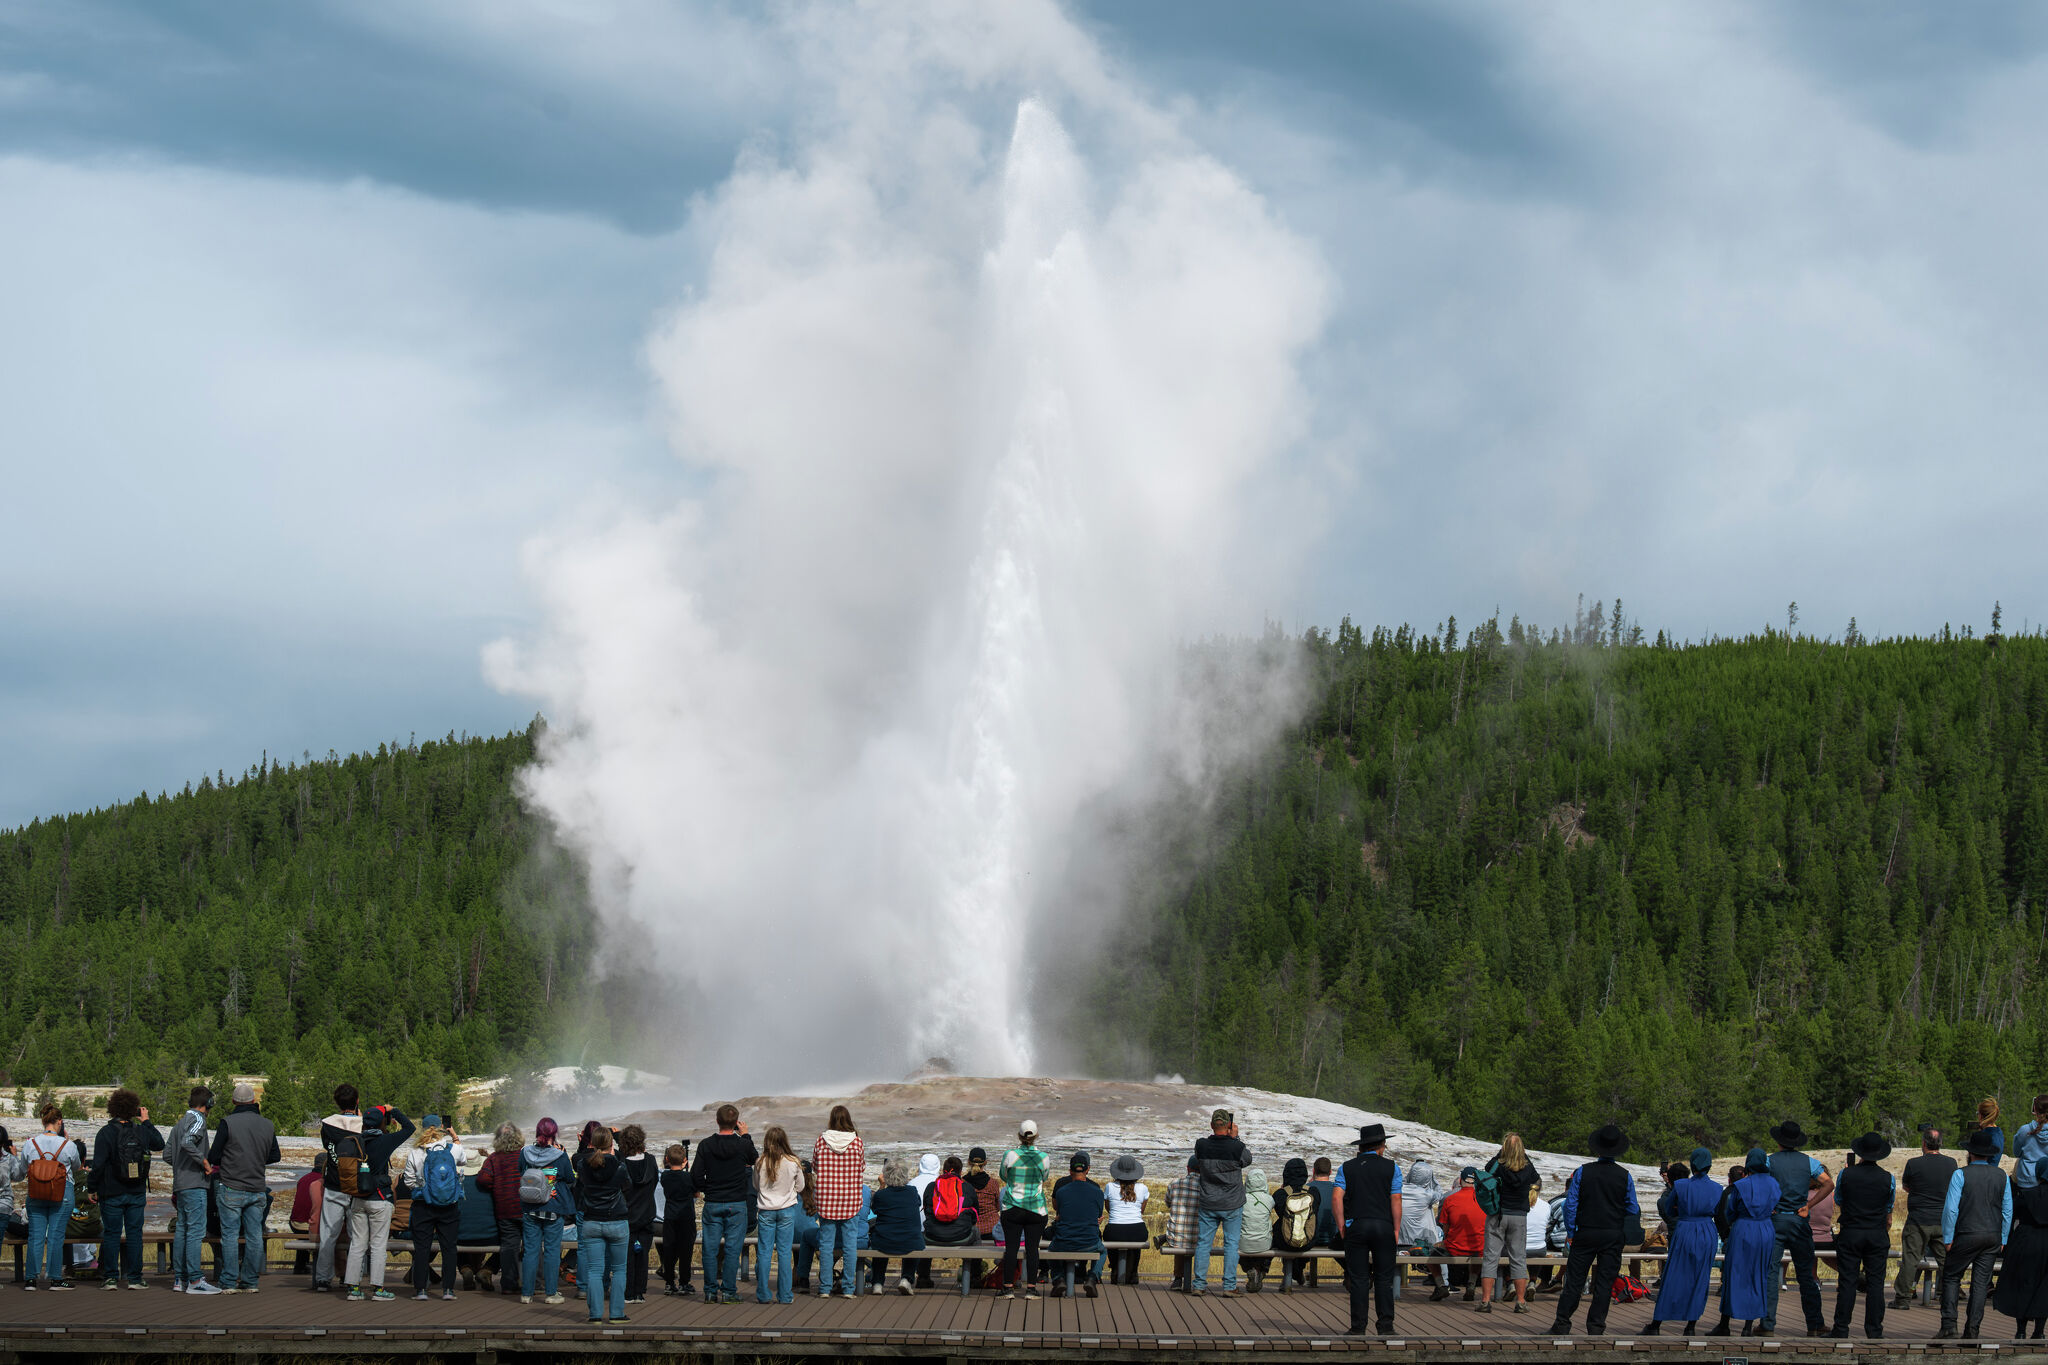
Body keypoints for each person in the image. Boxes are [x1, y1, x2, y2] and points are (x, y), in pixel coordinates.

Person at [1547, 1124, 1639, 1337]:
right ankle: (1596, 1326)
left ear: (1597, 1148)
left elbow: (1570, 1205)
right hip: (1612, 1233)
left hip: (1586, 1231)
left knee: (1574, 1281)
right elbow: (1633, 1208)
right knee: (1604, 1283)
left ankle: (1562, 1324)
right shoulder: (1625, 1176)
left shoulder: (1583, 1171)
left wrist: (1571, 1231)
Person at [1937, 1126, 2014, 1340]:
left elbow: (1951, 1209)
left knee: (1951, 1276)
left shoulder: (1960, 1174)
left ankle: (1949, 1324)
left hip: (1966, 1233)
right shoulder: (2002, 1176)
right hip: (1992, 1235)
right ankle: (1972, 1331)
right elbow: (2007, 1210)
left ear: (1970, 1152)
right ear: (1989, 1154)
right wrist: (2003, 1237)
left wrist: (1948, 1237)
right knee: (1980, 1284)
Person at [1758, 1119, 1832, 1338]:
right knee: (1806, 1274)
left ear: (1779, 1141)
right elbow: (1829, 1183)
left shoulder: (1770, 1161)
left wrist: (1768, 1205)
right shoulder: (1809, 1162)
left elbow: (1760, 1183)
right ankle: (1815, 1324)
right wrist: (1809, 1205)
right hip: (1799, 1221)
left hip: (1776, 1220)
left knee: (1771, 1272)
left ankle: (1767, 1324)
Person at [209, 1081, 280, 1294]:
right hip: (257, 1186)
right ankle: (250, 1281)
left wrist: (232, 1159)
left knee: (230, 1236)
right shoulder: (267, 1124)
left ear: (233, 1101)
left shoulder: (227, 1123)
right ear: (253, 1100)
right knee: (254, 1236)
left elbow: (214, 1155)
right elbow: (275, 1155)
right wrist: (256, 1158)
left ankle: (229, 1281)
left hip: (231, 1185)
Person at [90, 1086, 164, 1291]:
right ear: (134, 1109)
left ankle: (110, 1278)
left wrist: (92, 1187)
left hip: (111, 1191)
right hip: (136, 1190)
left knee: (112, 1234)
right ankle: (135, 1278)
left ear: (112, 1108)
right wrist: (146, 1121)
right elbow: (159, 1143)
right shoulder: (141, 1131)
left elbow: (98, 1165)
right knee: (134, 1234)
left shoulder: (105, 1133)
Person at [1332, 1123, 1401, 1336]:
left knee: (1359, 1279)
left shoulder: (1346, 1167)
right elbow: (1396, 1199)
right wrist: (1396, 1229)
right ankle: (1386, 1326)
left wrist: (1342, 1225)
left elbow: (1337, 1197)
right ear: (1381, 1145)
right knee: (1384, 1278)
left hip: (1357, 1225)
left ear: (1361, 1146)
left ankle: (1358, 1327)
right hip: (1383, 1225)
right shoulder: (1392, 1167)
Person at [1708, 1148, 1784, 1337]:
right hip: (1765, 1230)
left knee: (1733, 1274)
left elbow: (1730, 1211)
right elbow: (1776, 1205)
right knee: (1758, 1275)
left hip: (1743, 1229)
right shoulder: (1774, 1184)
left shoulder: (1741, 1185)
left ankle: (1724, 1324)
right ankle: (1747, 1327)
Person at [1646, 1148, 1721, 1335]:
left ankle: (1656, 1324)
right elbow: (1720, 1212)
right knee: (1700, 1278)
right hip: (1707, 1230)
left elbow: (1669, 1210)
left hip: (1685, 1228)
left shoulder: (1681, 1186)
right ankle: (1691, 1326)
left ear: (1693, 1164)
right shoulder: (1717, 1188)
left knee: (1673, 1275)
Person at [1829, 1132, 1895, 1340]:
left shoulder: (1846, 1174)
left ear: (1860, 1153)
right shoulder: (1888, 1178)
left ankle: (1841, 1328)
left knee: (1847, 1281)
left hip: (1851, 1231)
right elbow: (1889, 1205)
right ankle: (1874, 1330)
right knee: (1876, 1283)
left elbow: (1839, 1199)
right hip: (1876, 1233)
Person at [691, 1104, 756, 1305]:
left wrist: (707, 1188)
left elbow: (695, 1175)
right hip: (736, 1203)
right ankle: (728, 1291)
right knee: (732, 1249)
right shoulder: (743, 1144)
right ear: (736, 1123)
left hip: (713, 1202)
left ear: (717, 1121)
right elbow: (754, 1158)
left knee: (709, 1249)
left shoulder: (706, 1145)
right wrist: (745, 1135)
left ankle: (710, 1291)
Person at [401, 1121, 471, 1300]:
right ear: (442, 1130)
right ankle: (448, 1290)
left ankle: (421, 1290)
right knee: (449, 1247)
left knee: (422, 1248)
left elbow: (408, 1181)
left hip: (423, 1204)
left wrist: (423, 1189)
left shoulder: (416, 1152)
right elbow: (463, 1160)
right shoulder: (452, 1149)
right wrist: (454, 1137)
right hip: (449, 1205)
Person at [1186, 1107, 1252, 1296]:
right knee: (1231, 1244)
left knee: (1203, 1243)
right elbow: (1247, 1159)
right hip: (1232, 1203)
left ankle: (1199, 1285)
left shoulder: (1201, 1145)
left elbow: (1198, 1158)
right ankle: (1229, 1286)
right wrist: (1235, 1138)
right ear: (1229, 1125)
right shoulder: (1237, 1147)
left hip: (1209, 1201)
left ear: (1211, 1125)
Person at [21, 1104, 83, 1291]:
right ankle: (55, 1278)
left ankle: (31, 1279)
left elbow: (23, 1167)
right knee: (56, 1235)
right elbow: (76, 1166)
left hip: (36, 1192)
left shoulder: (30, 1143)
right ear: (59, 1122)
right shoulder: (68, 1145)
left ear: (43, 1121)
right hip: (62, 1191)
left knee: (36, 1236)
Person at [571, 1125, 630, 1324]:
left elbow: (579, 1187)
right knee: (619, 1269)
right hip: (616, 1220)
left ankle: (595, 1314)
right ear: (611, 1143)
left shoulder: (583, 1165)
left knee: (594, 1270)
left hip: (591, 1221)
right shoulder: (619, 1166)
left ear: (593, 1143)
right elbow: (628, 1186)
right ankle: (616, 1313)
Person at [1895, 1127, 1956, 1309]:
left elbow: (1906, 1186)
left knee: (1910, 1260)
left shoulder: (1913, 1163)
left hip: (1918, 1219)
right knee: (1947, 1262)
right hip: (1942, 1220)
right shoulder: (1951, 1163)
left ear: (1923, 1143)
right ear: (1941, 1143)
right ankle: (1948, 1297)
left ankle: (1903, 1299)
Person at [1478, 1133, 1540, 1313]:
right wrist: (1521, 1154)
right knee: (1518, 1259)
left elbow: (1487, 1169)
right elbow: (1536, 1178)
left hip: (1498, 1214)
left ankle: (1485, 1301)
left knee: (1491, 1257)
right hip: (1519, 1216)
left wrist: (1502, 1153)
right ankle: (1520, 1302)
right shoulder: (1528, 1167)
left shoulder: (1499, 1166)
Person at [517, 1116, 575, 1305]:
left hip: (530, 1207)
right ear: (554, 1134)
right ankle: (551, 1293)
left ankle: (527, 1294)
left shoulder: (525, 1152)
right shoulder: (560, 1155)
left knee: (531, 1251)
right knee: (551, 1251)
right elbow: (569, 1178)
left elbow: (521, 1171)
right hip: (553, 1207)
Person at [168, 1086, 219, 1295]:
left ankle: (179, 1279)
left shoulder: (179, 1123)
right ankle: (195, 1280)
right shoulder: (198, 1119)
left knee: (182, 1230)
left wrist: (181, 1166)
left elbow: (167, 1154)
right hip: (195, 1184)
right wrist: (203, 1162)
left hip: (180, 1184)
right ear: (208, 1104)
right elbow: (188, 1142)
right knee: (196, 1232)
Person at [811, 1106, 864, 1299]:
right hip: (850, 1200)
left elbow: (815, 1166)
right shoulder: (857, 1142)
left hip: (826, 1199)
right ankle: (848, 1288)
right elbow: (862, 1167)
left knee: (826, 1245)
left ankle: (825, 1287)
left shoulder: (821, 1140)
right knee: (850, 1246)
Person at [1994, 1157, 2048, 1338]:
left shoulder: (2027, 1194)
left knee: (2023, 1284)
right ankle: (2039, 1331)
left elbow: (2010, 1214)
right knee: (2044, 1288)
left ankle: (2021, 1331)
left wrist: (2006, 1240)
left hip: (2026, 1240)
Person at [751, 1125, 805, 1305]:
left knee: (764, 1253)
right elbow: (801, 1187)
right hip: (787, 1209)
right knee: (784, 1253)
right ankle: (785, 1295)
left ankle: (763, 1293)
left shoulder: (760, 1162)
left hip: (766, 1210)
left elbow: (756, 1185)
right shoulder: (793, 1161)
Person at [998, 1120, 1049, 1300]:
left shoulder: (1010, 1155)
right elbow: (1044, 1177)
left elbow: (1003, 1176)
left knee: (1011, 1248)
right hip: (1036, 1208)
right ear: (1036, 1136)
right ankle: (1031, 1289)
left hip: (1013, 1206)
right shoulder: (1044, 1157)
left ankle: (1008, 1288)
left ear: (1019, 1136)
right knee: (1032, 1249)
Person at [474, 1123, 526, 1296]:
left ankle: (509, 1284)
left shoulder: (494, 1158)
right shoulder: (526, 1155)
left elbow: (482, 1179)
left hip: (505, 1208)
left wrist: (496, 1185)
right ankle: (531, 1283)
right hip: (526, 1207)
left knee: (509, 1246)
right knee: (531, 1245)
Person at [1048, 1151, 1106, 1296]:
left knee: (1050, 1249)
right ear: (1088, 1169)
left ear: (1070, 1171)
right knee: (1103, 1251)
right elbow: (1098, 1215)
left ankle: (1058, 1278)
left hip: (1064, 1241)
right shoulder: (1097, 1192)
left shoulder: (1061, 1191)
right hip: (1089, 1242)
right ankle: (1092, 1277)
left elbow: (1060, 1211)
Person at [613, 1125, 658, 1304]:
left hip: (627, 1215)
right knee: (643, 1254)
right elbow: (654, 1182)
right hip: (647, 1214)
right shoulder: (651, 1161)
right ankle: (639, 1292)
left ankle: (628, 1292)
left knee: (627, 1256)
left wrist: (617, 1136)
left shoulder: (621, 1163)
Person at [867, 1158, 925, 1294]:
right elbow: (918, 1203)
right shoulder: (912, 1191)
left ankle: (877, 1283)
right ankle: (906, 1278)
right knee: (915, 1241)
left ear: (886, 1175)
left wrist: (882, 1185)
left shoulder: (881, 1195)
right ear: (905, 1174)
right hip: (910, 1240)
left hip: (884, 1240)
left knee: (879, 1243)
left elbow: (874, 1209)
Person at [1395, 1158, 1449, 1295]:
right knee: (1439, 1234)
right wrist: (1433, 1180)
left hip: (1398, 1240)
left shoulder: (1398, 1190)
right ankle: (1443, 1282)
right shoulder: (1427, 1195)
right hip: (1420, 1242)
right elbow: (1440, 1193)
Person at [455, 1148, 499, 1290]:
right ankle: (488, 1269)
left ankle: (465, 1267)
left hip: (460, 1236)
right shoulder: (490, 1181)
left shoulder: (455, 1182)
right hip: (490, 1235)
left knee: (449, 1237)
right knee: (512, 1240)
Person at [1271, 1158, 1320, 1288]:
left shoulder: (1280, 1194)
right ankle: (1298, 1269)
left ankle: (1289, 1273)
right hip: (1308, 1241)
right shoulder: (1313, 1192)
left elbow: (1282, 1215)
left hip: (1285, 1242)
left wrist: (1284, 1188)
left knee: (1280, 1227)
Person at [1437, 1167, 1486, 1297]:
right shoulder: (1484, 1200)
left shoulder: (1450, 1199)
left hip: (1455, 1248)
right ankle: (1472, 1282)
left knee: (1432, 1253)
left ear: (1460, 1181)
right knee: (1479, 1249)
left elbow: (1445, 1228)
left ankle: (1441, 1285)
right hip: (1479, 1248)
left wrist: (1446, 1240)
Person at [924, 1154, 981, 1263]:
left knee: (923, 1232)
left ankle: (923, 1272)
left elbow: (927, 1212)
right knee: (976, 1231)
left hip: (933, 1236)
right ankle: (972, 1272)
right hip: (961, 1236)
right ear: (960, 1172)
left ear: (943, 1170)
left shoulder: (931, 1187)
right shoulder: (968, 1187)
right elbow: (975, 1216)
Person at [1103, 1156, 1149, 1285]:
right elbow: (1141, 1211)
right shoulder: (1143, 1188)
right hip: (1137, 1230)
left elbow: (1108, 1208)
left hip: (1114, 1230)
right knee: (1135, 1245)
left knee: (1111, 1238)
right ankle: (1133, 1272)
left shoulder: (1109, 1186)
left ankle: (1114, 1269)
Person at [657, 1142, 696, 1296]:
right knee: (686, 1251)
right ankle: (684, 1283)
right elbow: (696, 1193)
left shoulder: (665, 1176)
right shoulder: (688, 1177)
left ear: (667, 1159)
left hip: (670, 1216)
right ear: (685, 1161)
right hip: (686, 1216)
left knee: (669, 1249)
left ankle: (669, 1282)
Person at [1236, 1164, 1274, 1293]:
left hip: (1243, 1244)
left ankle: (1249, 1268)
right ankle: (1260, 1270)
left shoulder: (1241, 1199)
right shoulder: (1269, 1200)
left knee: (1242, 1239)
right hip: (1264, 1244)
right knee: (1268, 1241)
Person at [1161, 1165, 1198, 1292]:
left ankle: (1178, 1278)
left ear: (1188, 1168)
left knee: (1179, 1233)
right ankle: (1199, 1281)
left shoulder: (1175, 1183)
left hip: (1176, 1236)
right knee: (1197, 1239)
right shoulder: (1206, 1186)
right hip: (1198, 1237)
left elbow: (1168, 1203)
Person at [289, 1155, 327, 1278]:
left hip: (295, 1222)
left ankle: (300, 1265)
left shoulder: (303, 1179)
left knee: (304, 1236)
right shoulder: (323, 1181)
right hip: (311, 1224)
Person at [1525, 1176, 1553, 1293]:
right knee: (1537, 1246)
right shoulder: (1546, 1206)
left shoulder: (1519, 1203)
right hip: (1539, 1249)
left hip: (1520, 1248)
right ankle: (1532, 1281)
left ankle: (1510, 1283)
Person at [2017, 1098, 2048, 1191]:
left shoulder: (2024, 1130)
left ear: (2034, 1109)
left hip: (2026, 1180)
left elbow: (2017, 1152)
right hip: (2045, 1179)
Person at [1973, 1098, 2008, 1166]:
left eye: (1977, 1113)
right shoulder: (1999, 1133)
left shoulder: (1984, 1136)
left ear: (1980, 1116)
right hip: (1994, 1169)